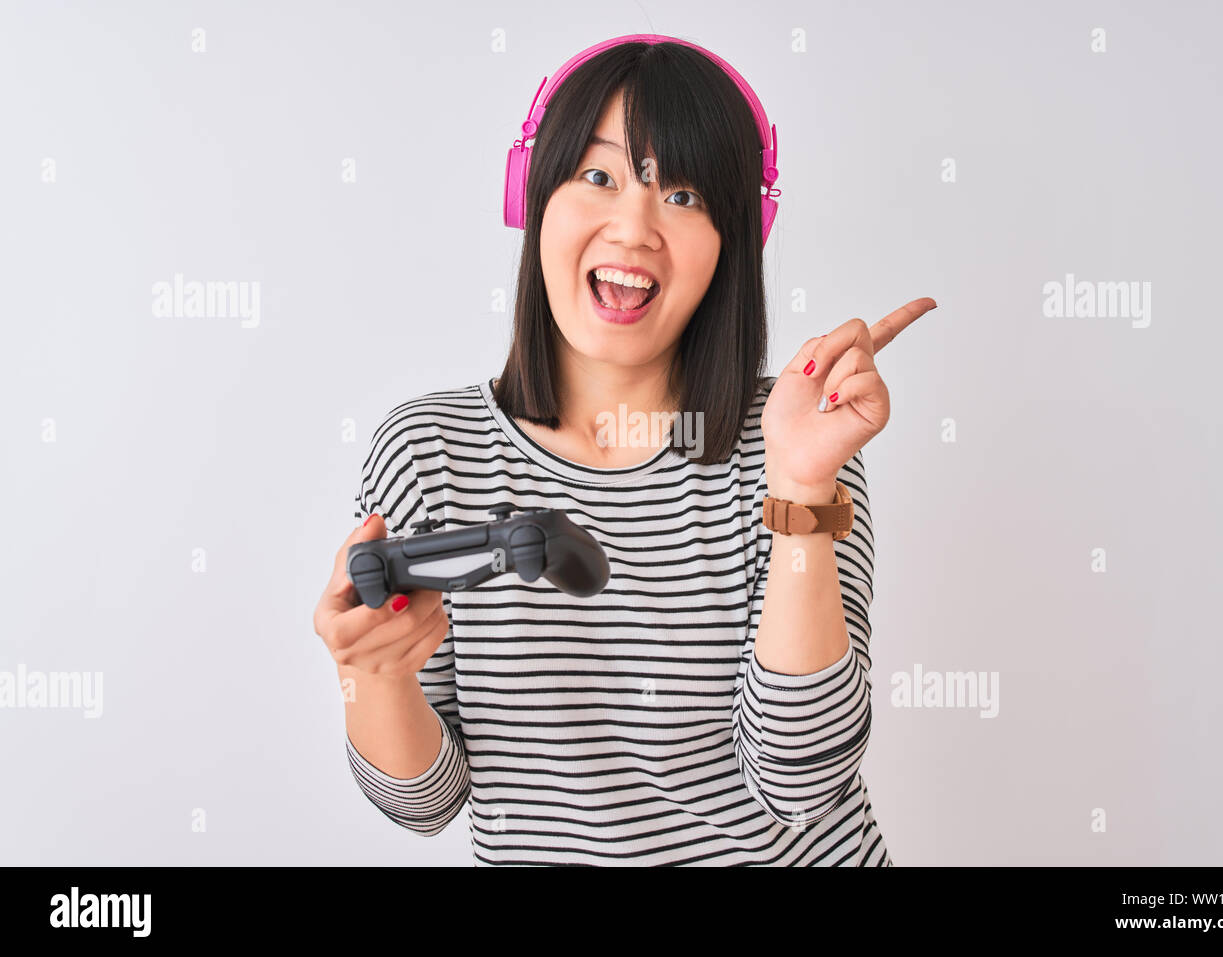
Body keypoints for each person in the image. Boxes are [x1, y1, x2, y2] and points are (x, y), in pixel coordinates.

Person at [312, 38, 935, 865]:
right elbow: (424, 804)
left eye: (681, 192)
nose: (635, 226)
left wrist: (800, 485)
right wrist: (377, 674)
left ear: (733, 238)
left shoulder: (791, 439)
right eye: (599, 176)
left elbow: (800, 778)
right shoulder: (430, 452)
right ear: (531, 197)